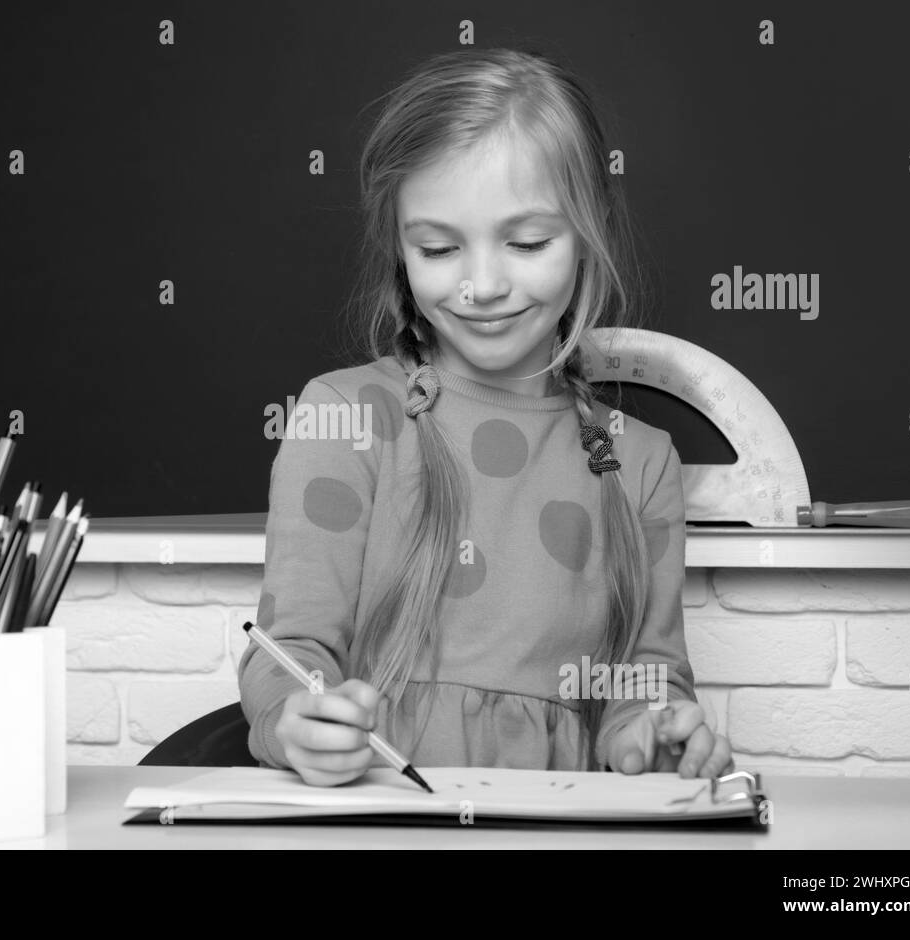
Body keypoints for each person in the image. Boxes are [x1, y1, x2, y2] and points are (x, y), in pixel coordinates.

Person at [237, 47, 734, 785]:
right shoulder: (342, 418)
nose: (482, 285)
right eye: (438, 248)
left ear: (590, 229)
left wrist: (653, 738)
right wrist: (294, 721)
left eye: (528, 242)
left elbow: (639, 685)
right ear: (399, 247)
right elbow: (291, 653)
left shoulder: (641, 460)